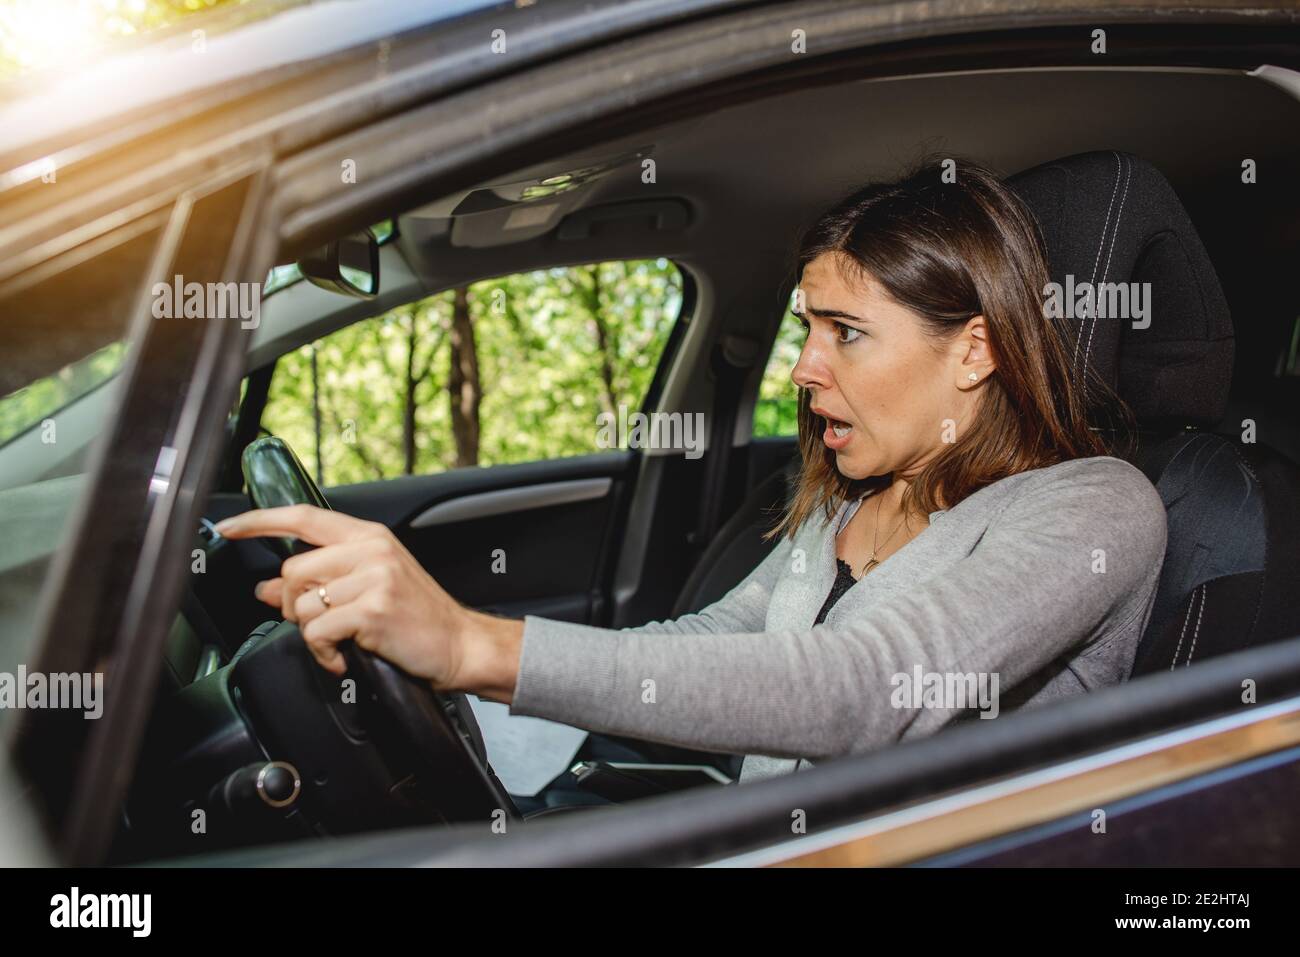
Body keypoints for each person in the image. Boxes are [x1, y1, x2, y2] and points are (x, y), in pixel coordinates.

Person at [215, 159, 1167, 788]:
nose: (803, 368)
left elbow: (860, 691)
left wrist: (471, 643)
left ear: (974, 353)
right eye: (806, 328)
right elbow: (722, 637)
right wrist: (472, 682)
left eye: (847, 332)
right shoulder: (854, 495)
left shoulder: (1093, 509)